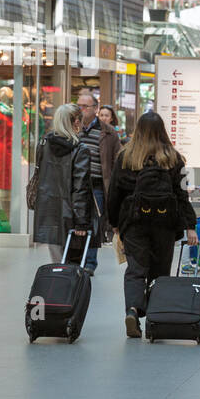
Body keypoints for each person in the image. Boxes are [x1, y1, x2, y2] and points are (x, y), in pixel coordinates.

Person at [106, 112, 198, 338]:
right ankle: (156, 319)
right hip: (165, 224)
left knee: (136, 269)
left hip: (134, 221)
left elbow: (114, 192)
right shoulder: (174, 158)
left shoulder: (126, 157)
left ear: (138, 130)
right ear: (162, 131)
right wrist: (190, 226)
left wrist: (115, 223)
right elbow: (182, 195)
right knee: (160, 272)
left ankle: (133, 310)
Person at [32, 103, 93, 264]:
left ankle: (57, 287)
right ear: (76, 122)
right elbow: (80, 188)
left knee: (57, 262)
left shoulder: (43, 144)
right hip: (71, 215)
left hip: (48, 211)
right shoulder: (80, 150)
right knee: (72, 265)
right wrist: (81, 221)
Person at [76, 89, 120, 274]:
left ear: (95, 108)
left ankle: (90, 263)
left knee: (94, 224)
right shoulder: (72, 129)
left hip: (97, 187)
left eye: (84, 106)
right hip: (76, 185)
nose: (81, 109)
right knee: (76, 222)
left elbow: (116, 161)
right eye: (78, 106)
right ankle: (75, 259)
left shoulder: (108, 133)